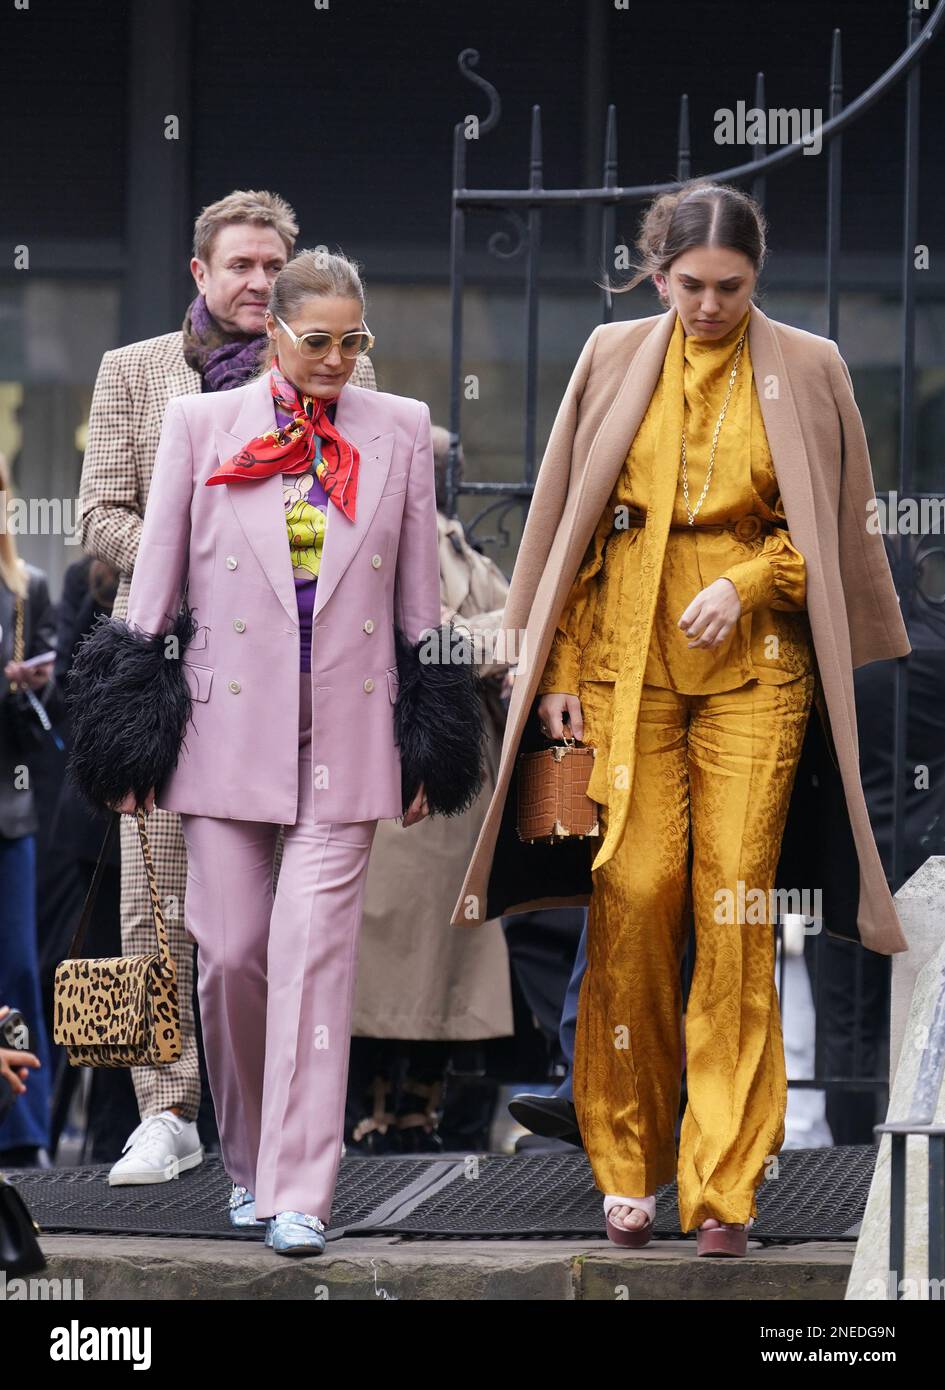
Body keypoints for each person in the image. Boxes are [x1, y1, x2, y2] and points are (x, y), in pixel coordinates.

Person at [450, 181, 911, 1257]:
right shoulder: (612, 355)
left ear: (759, 279)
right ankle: (626, 1157)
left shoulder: (810, 364)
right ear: (657, 274)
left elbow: (836, 540)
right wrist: (555, 663)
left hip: (754, 668)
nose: (710, 305)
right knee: (635, 890)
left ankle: (723, 1179)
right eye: (691, 285)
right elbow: (571, 523)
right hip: (623, 661)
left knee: (738, 909)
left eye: (732, 287)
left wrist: (748, 581)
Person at [66, 249, 483, 1255]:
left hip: (347, 739)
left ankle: (304, 1185)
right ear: (275, 338)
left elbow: (419, 611)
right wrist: (128, 745)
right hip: (223, 738)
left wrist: (428, 744)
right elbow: (153, 595)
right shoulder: (201, 426)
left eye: (354, 340)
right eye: (319, 339)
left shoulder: (400, 431)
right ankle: (249, 1161)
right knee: (235, 959)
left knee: (313, 957)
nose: (338, 357)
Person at [78, 189, 377, 1188]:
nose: (256, 281)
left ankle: (284, 1128)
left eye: (271, 265)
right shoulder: (135, 371)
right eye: (238, 265)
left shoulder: (346, 367)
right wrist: (202, 569)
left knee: (285, 921)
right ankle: (164, 1110)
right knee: (150, 897)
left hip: (298, 684)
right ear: (200, 274)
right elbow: (102, 518)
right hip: (173, 672)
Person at [347, 423, 514, 1152]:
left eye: (449, 466)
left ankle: (418, 1104)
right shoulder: (374, 540)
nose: (443, 478)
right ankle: (371, 1107)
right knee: (378, 951)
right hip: (393, 771)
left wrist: (471, 640)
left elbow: (516, 631)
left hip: (452, 784)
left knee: (444, 954)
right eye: (435, 466)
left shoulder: (463, 553)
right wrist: (479, 642)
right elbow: (404, 637)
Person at [0, 451, 61, 1167]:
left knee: (16, 967)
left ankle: (21, 1129)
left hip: (9, 809)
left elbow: (45, 711)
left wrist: (27, 685)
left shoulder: (25, 588)